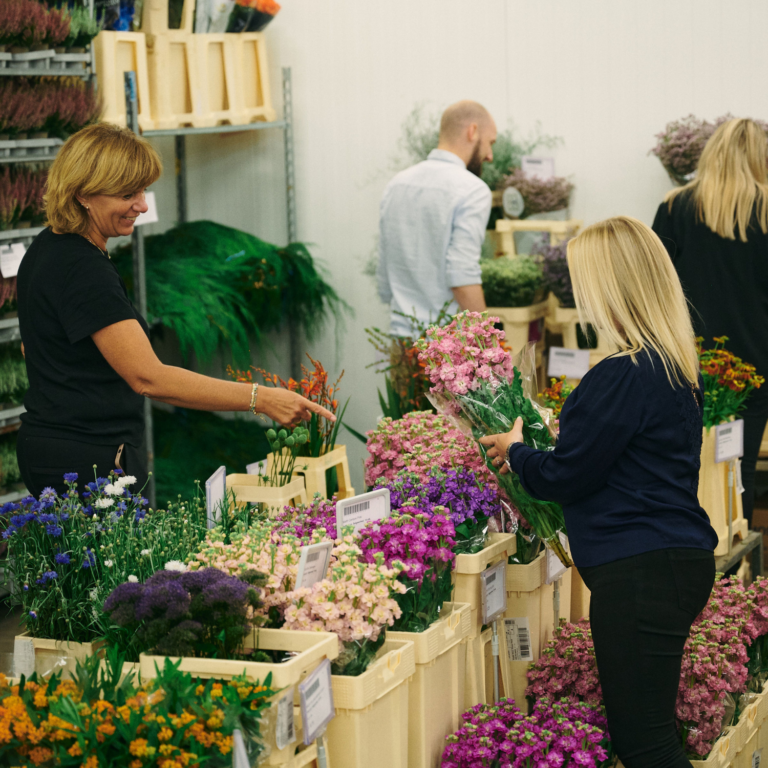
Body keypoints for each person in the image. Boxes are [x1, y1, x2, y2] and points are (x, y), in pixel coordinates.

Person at [480, 216, 717, 768]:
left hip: (643, 570)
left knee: (647, 745)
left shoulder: (623, 372)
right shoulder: (672, 365)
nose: (580, 299)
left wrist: (517, 451)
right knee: (652, 736)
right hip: (673, 558)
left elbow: (567, 476)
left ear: (613, 287)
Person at [16, 122, 333, 498]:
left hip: (51, 447)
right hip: (88, 459)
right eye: (128, 193)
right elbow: (149, 378)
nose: (142, 204)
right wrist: (260, 398)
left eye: (144, 189)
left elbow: (32, 347)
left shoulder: (47, 247)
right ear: (85, 194)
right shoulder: (83, 270)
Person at [652, 117, 768, 527]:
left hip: (683, 364)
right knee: (740, 464)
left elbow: (653, 288)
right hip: (753, 369)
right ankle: (735, 567)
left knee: (678, 468)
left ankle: (689, 556)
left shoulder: (673, 208)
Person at [377, 100, 497, 338]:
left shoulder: (397, 184)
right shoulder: (473, 190)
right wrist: (490, 342)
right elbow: (462, 276)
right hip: (448, 352)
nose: (490, 156)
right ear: (472, 131)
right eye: (490, 143)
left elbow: (384, 275)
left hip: (401, 340)